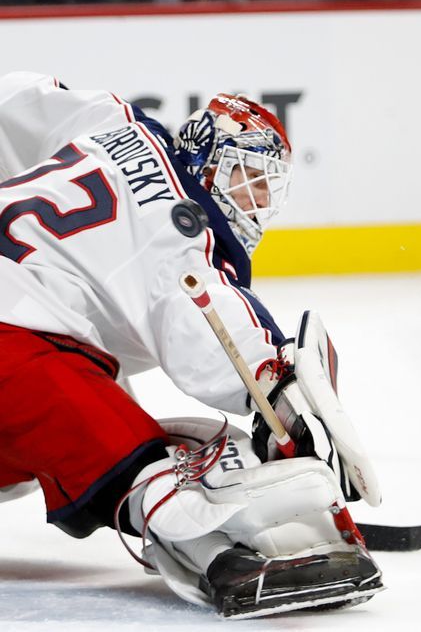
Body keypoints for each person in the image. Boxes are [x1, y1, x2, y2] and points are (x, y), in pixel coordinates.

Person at [0, 72, 384, 616]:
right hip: (9, 344)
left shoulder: (113, 120)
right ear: (210, 159)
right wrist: (291, 412)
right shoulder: (183, 233)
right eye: (247, 177)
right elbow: (233, 350)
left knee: (115, 406)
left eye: (264, 187)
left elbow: (15, 95)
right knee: (135, 452)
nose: (254, 201)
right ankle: (224, 562)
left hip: (21, 336)